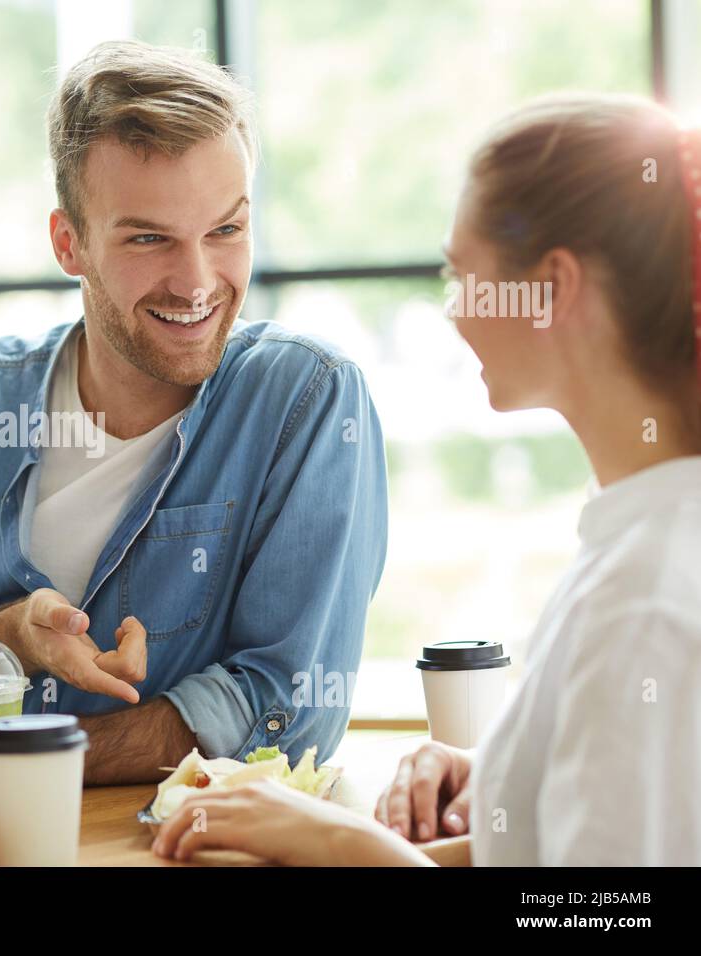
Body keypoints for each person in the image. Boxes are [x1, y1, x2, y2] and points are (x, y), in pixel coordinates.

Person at [0, 40, 389, 783]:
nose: (197, 282)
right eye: (149, 238)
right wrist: (4, 640)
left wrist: (22, 767)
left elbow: (288, 705)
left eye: (226, 230)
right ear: (69, 242)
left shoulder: (306, 402)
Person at [152, 93, 701, 866]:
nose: (451, 312)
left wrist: (339, 841)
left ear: (552, 287)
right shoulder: (641, 529)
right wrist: (513, 781)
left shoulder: (646, 598)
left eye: (461, 273)